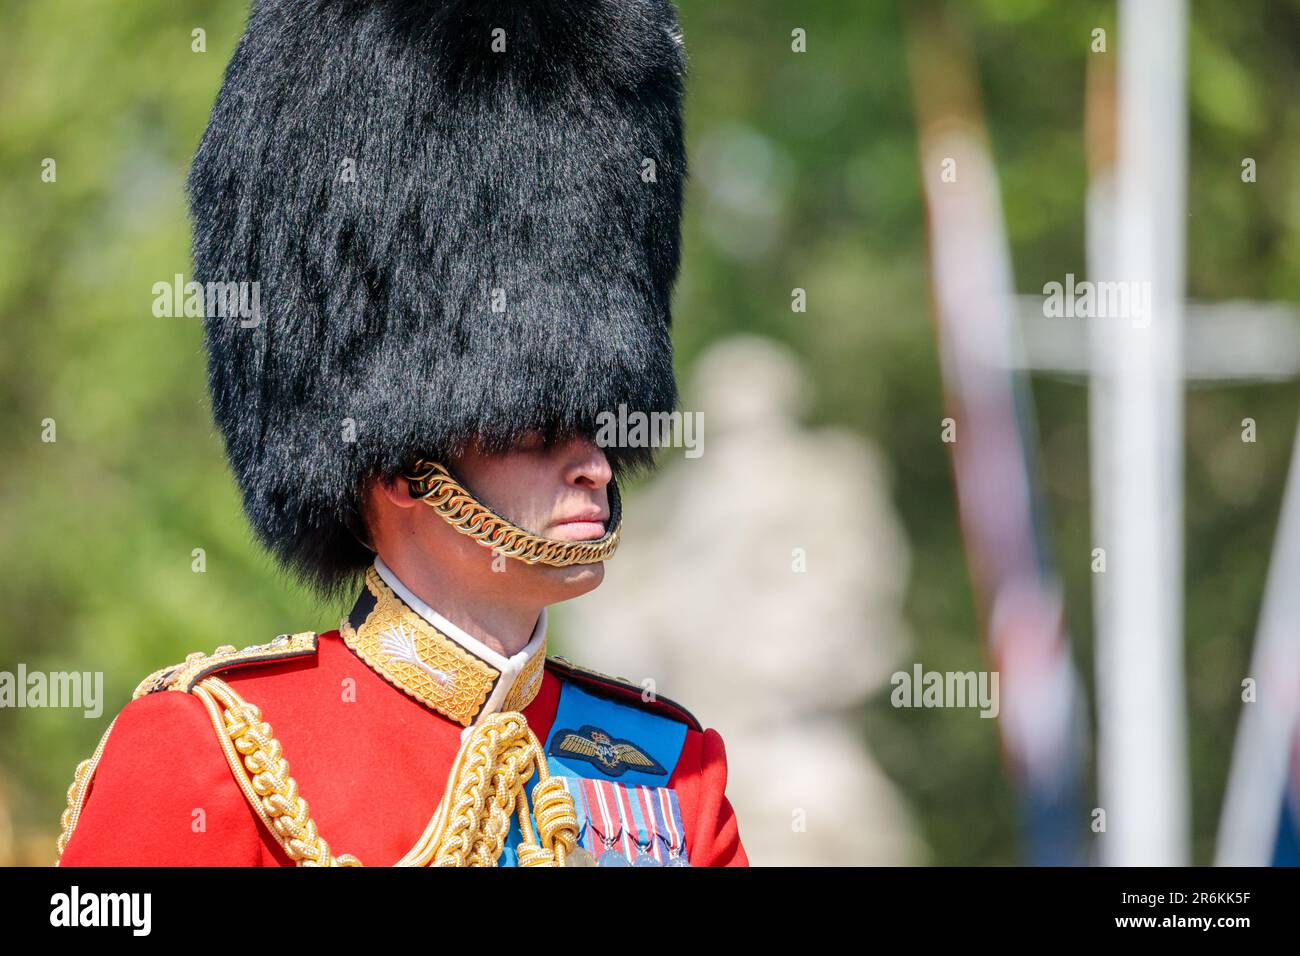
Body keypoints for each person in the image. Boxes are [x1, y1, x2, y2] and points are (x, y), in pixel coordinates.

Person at [56, 0, 746, 867]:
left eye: (597, 423)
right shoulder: (210, 755)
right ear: (401, 468)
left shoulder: (671, 777)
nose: (597, 467)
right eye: (538, 431)